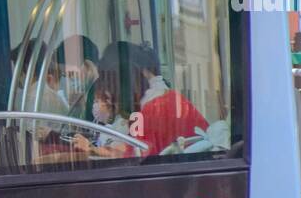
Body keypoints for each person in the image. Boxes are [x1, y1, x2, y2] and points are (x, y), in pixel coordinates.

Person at [73, 42, 207, 158]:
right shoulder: (163, 99)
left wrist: (91, 149)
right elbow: (130, 146)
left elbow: (132, 155)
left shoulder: (153, 109)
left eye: (110, 99)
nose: (113, 107)